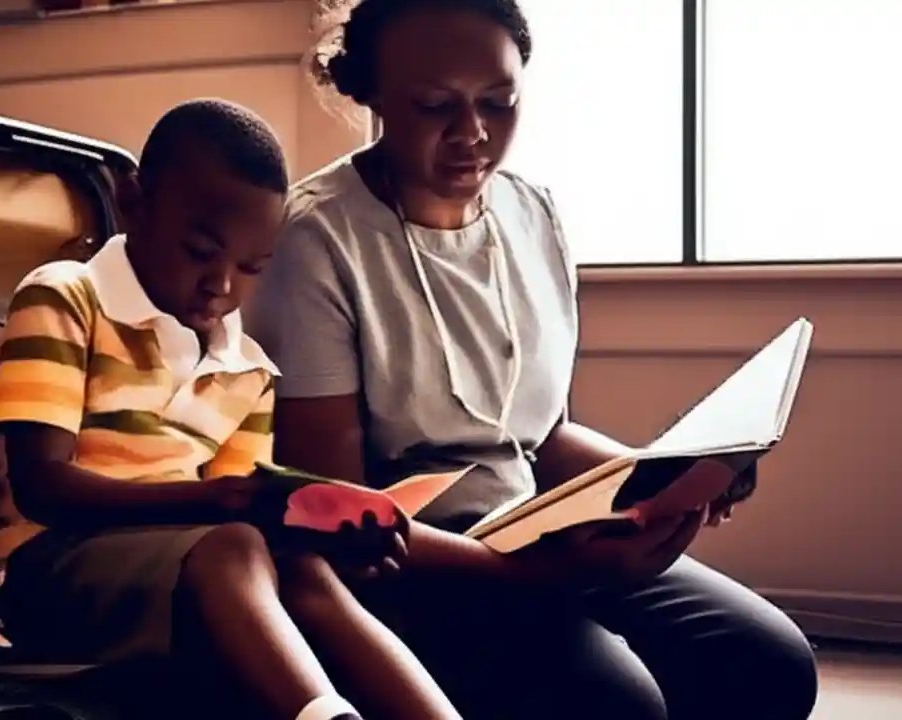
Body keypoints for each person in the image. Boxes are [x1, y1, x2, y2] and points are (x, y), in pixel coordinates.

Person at [245, 1, 821, 718]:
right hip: (405, 562)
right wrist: (527, 570)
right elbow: (338, 510)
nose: (472, 134)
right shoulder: (316, 241)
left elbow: (540, 436)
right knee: (614, 702)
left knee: (768, 665)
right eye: (434, 106)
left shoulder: (533, 216)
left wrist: (665, 481)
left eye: (499, 102)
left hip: (536, 528)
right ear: (371, 93)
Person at [0, 99, 462, 720]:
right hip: (43, 576)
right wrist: (220, 501)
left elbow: (241, 512)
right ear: (134, 204)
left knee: (304, 567)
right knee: (234, 545)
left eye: (250, 268)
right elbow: (41, 487)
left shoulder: (251, 370)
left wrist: (318, 528)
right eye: (200, 250)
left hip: (185, 566)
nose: (223, 286)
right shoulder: (65, 297)